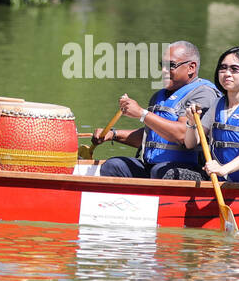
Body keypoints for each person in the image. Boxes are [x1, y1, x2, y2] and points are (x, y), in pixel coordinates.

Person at [94, 41, 221, 179]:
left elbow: (182, 134)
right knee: (113, 165)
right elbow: (150, 137)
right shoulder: (159, 96)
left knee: (160, 171)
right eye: (163, 65)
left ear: (191, 67)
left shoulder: (203, 94)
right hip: (155, 167)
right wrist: (113, 134)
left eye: (171, 66)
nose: (164, 71)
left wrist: (142, 114)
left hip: (191, 169)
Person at [182, 47, 239, 183]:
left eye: (234, 69)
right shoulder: (218, 104)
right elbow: (190, 143)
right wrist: (191, 123)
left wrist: (223, 170)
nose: (227, 73)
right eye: (223, 68)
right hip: (222, 182)